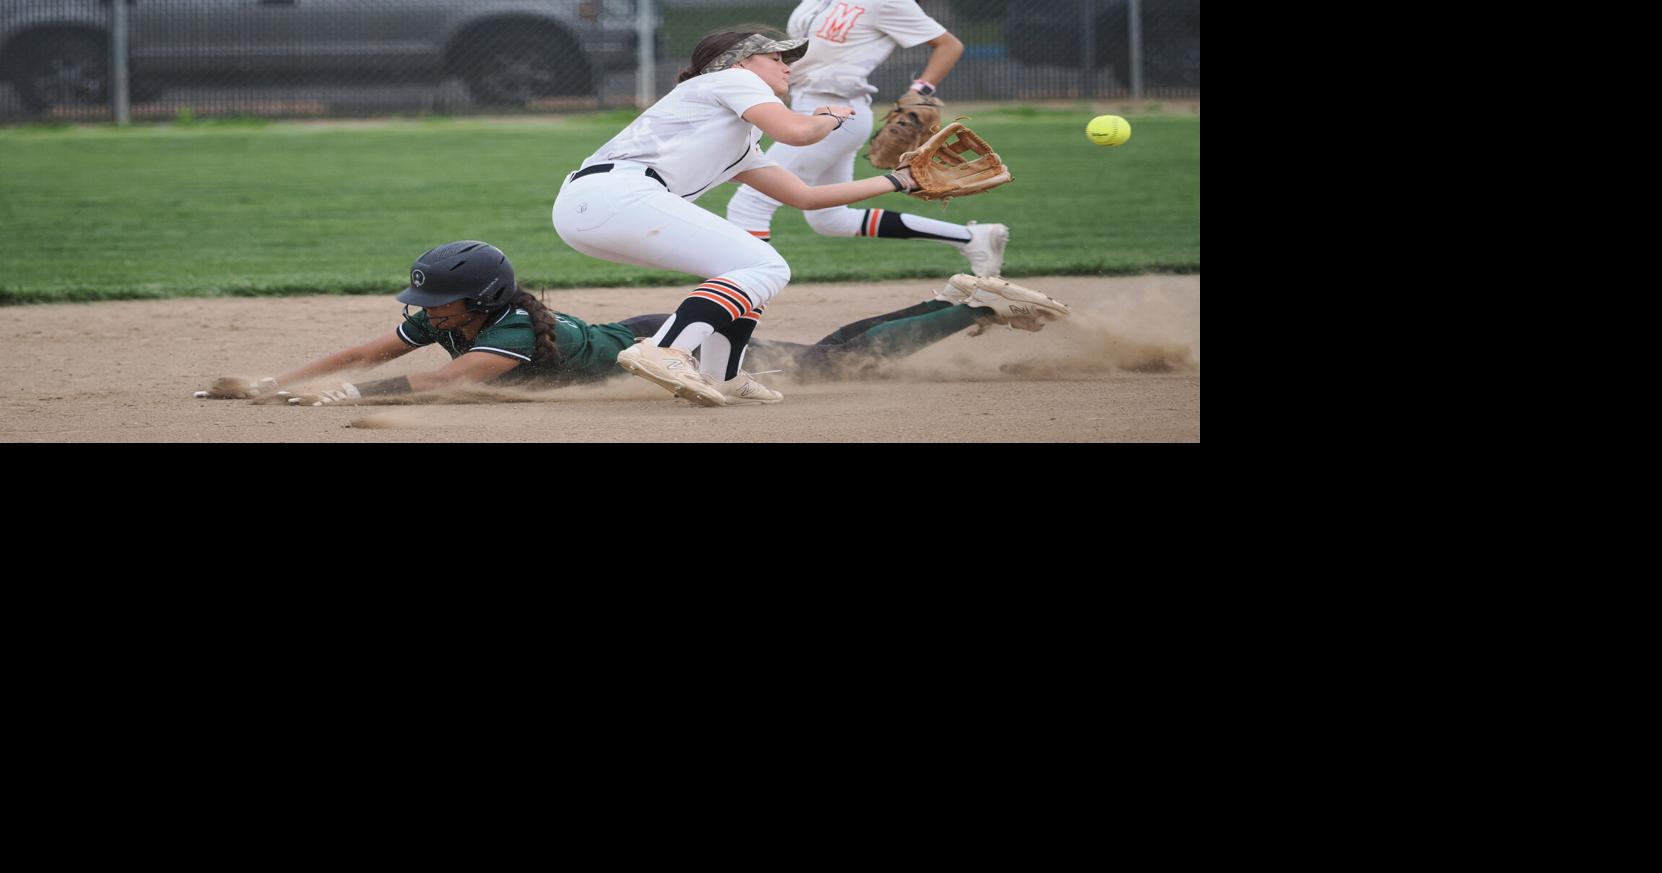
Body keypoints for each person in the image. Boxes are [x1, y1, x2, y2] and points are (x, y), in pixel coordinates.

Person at [552, 27, 934, 408]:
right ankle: (665, 348)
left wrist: (898, 180)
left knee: (746, 265)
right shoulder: (731, 78)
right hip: (618, 196)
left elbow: (806, 197)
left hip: (597, 207)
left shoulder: (736, 135)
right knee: (765, 265)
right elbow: (796, 132)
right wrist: (829, 117)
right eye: (775, 57)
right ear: (739, 61)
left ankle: (723, 374)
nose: (786, 67)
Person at [194, 240, 1071, 406]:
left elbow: (439, 382)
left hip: (673, 338)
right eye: (424, 305)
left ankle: (961, 305)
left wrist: (348, 394)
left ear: (480, 302)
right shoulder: (472, 316)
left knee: (838, 365)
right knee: (833, 361)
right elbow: (366, 343)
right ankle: (960, 308)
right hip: (645, 330)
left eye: (437, 305)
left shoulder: (497, 338)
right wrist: (282, 381)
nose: (425, 316)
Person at [725, 1, 1008, 278]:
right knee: (830, 219)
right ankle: (973, 237)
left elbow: (949, 45)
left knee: (751, 203)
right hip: (807, 104)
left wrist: (920, 91)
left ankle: (745, 298)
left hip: (837, 112)